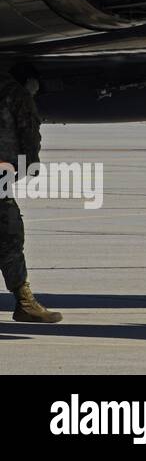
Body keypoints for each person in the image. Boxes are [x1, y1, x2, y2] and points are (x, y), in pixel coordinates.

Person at [0, 67, 63, 323]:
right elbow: (29, 130)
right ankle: (24, 302)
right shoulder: (12, 92)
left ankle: (24, 301)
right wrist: (29, 164)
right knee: (8, 233)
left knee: (8, 232)